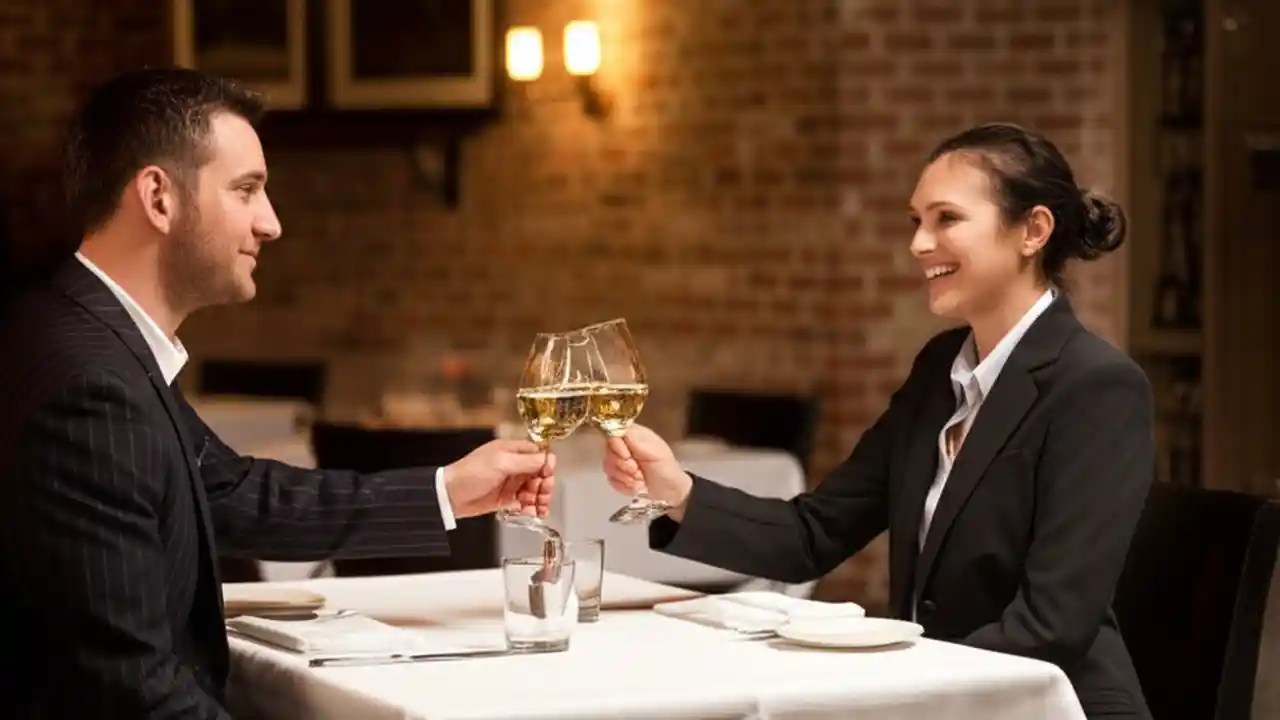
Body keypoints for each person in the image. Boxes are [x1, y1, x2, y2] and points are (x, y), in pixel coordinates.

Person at [0, 68, 554, 717]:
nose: (272, 224)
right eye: (247, 190)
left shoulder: (84, 336)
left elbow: (234, 492)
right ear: (158, 197)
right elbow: (130, 689)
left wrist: (447, 491)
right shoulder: (89, 383)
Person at [604, 123, 1154, 719]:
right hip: (945, 694)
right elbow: (812, 535)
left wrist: (900, 688)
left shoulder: (1096, 385)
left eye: (946, 219)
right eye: (916, 221)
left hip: (1041, 705)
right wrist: (676, 492)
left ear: (1033, 230)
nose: (920, 243)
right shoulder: (939, 369)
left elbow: (1051, 623)